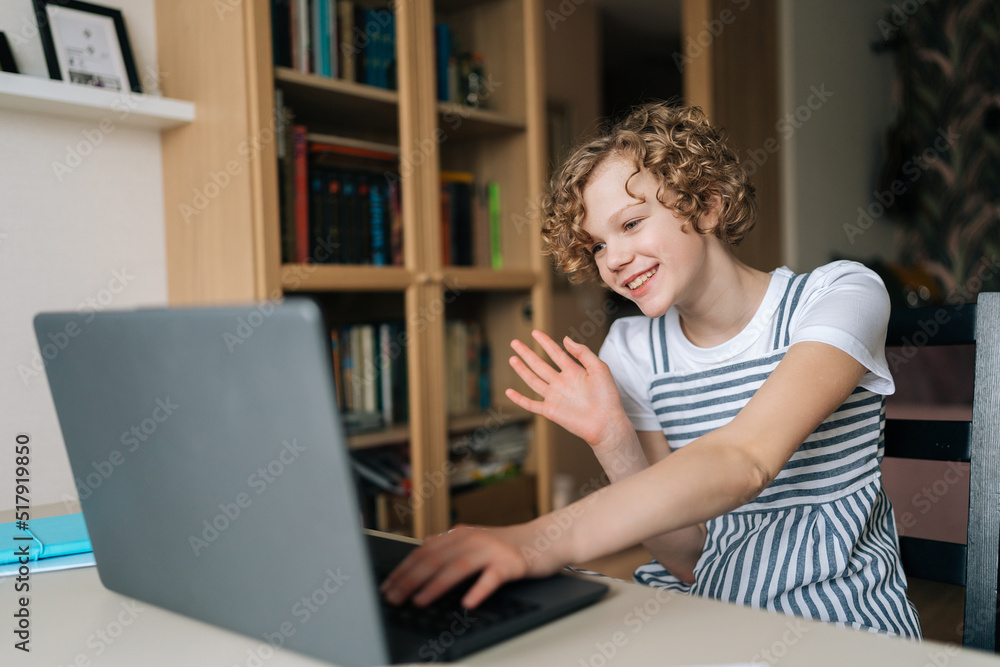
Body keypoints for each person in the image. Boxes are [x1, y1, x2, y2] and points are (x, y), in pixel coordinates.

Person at [381, 102, 921, 637]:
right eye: (597, 245)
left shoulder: (841, 294)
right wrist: (614, 438)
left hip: (841, 623)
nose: (612, 259)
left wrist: (538, 540)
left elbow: (745, 459)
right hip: (710, 619)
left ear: (707, 206)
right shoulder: (633, 347)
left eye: (632, 223)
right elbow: (688, 559)